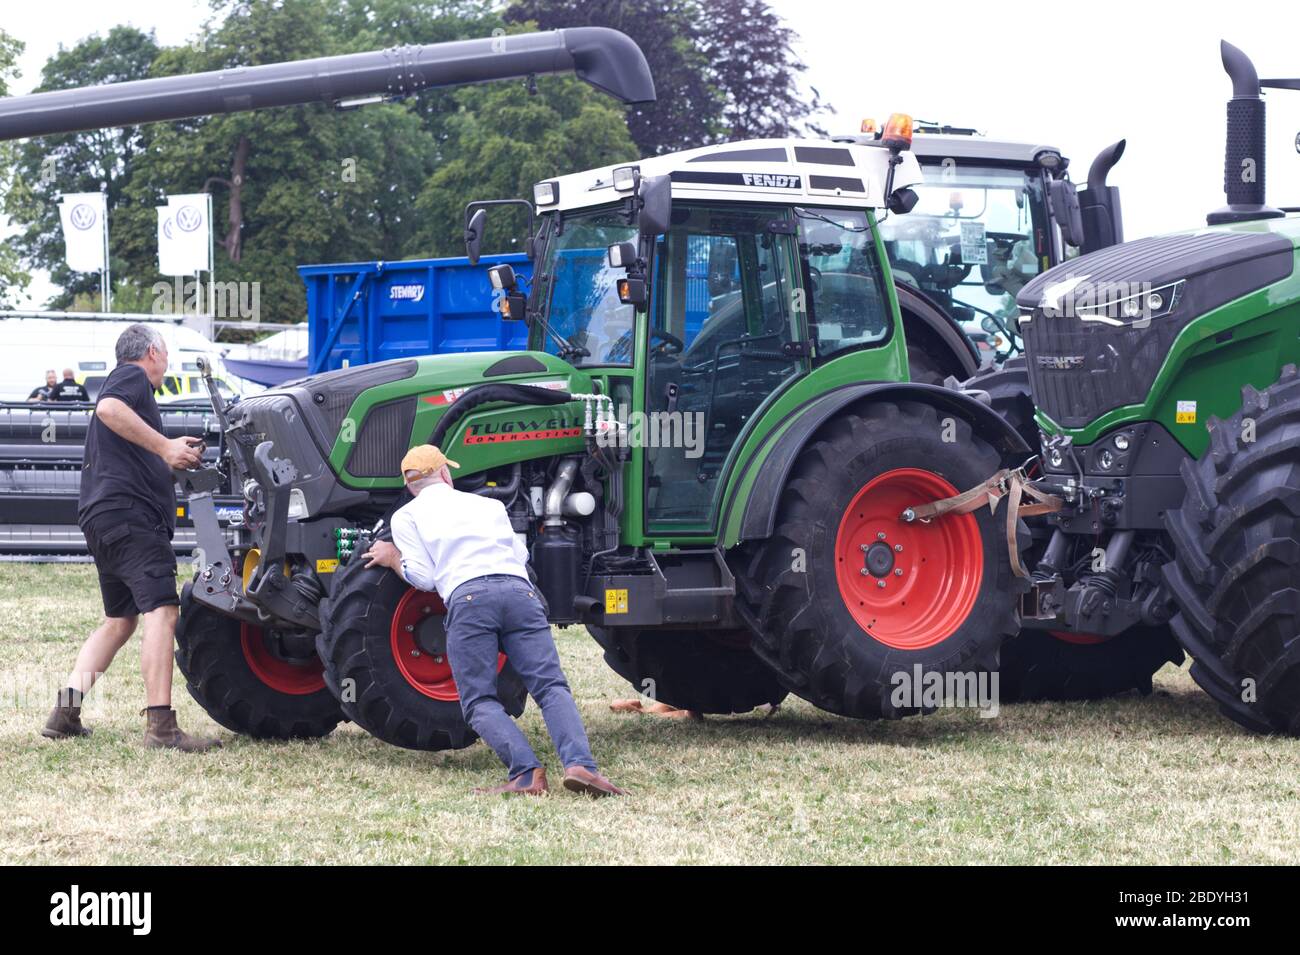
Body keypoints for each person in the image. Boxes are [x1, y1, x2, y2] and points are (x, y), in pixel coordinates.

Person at [364, 445, 626, 797]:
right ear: (445, 474)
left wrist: (393, 557)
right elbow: (519, 554)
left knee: (479, 701)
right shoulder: (490, 505)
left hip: (470, 599)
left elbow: (424, 578)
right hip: (521, 593)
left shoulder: (406, 516)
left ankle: (527, 774)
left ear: (411, 485)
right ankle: (581, 765)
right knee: (550, 687)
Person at [42, 324, 219, 752]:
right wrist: (164, 447)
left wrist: (172, 456)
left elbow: (124, 435)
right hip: (130, 516)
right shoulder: (131, 377)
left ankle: (64, 713)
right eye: (167, 354)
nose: (167, 363)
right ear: (153, 352)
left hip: (104, 517)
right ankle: (161, 728)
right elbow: (107, 409)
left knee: (120, 620)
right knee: (162, 610)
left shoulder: (137, 396)